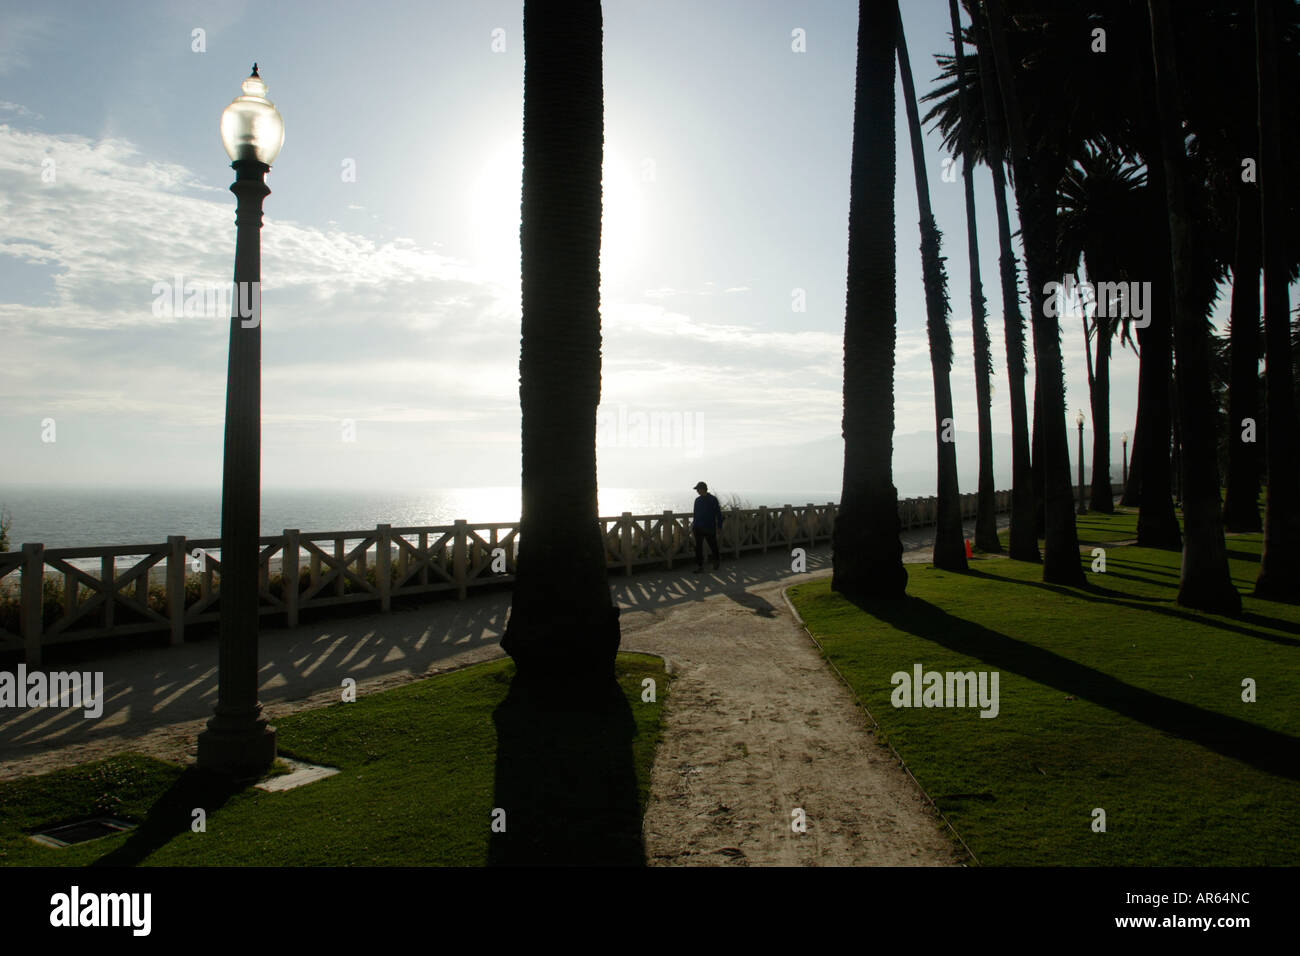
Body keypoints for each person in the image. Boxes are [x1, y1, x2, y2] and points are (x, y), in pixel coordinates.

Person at [691, 481, 724, 572]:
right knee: (698, 548)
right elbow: (695, 514)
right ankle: (700, 566)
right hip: (698, 528)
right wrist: (694, 526)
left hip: (709, 527)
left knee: (713, 546)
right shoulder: (697, 500)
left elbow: (718, 514)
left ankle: (716, 562)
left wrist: (719, 527)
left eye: (698, 489)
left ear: (702, 489)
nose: (697, 491)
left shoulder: (713, 499)